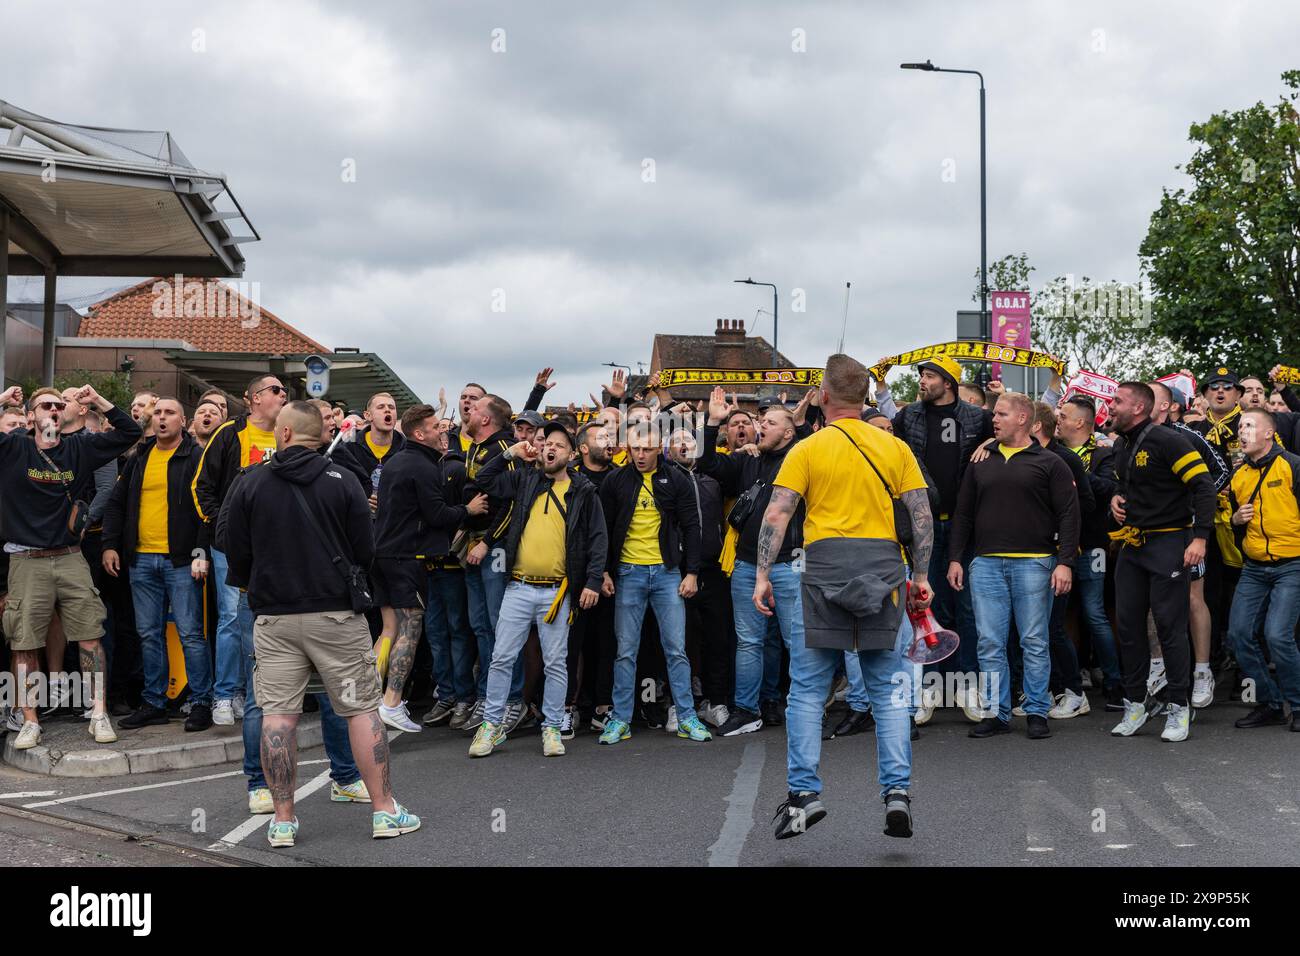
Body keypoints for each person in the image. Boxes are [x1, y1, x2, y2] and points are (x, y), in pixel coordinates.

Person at [222, 402, 419, 846]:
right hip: (335, 616)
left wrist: (261, 584)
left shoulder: (251, 483)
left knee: (278, 716)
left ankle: (283, 820)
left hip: (274, 618)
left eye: (276, 428)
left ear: (287, 433)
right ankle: (385, 811)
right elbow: (365, 548)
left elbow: (236, 551)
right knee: (360, 710)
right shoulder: (343, 480)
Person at [757, 353, 931, 840]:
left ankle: (804, 796)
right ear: (867, 397)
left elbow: (777, 515)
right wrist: (920, 574)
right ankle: (897, 792)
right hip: (883, 568)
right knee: (890, 690)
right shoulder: (892, 446)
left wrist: (762, 575)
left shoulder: (808, 449)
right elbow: (920, 517)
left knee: (808, 690)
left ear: (825, 397)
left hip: (823, 568)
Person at [0, 384, 142, 751]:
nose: (52, 409)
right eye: (44, 404)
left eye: (58, 404)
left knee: (90, 636)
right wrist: (2, 401)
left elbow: (130, 432)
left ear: (65, 413)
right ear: (31, 415)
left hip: (70, 556)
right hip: (26, 559)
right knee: (23, 643)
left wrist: (98, 401)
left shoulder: (80, 448)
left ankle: (98, 712)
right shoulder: (13, 447)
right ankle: (29, 720)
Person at [468, 422, 607, 757]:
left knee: (556, 663)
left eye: (559, 444)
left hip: (557, 593)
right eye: (546, 442)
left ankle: (552, 727)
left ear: (572, 454)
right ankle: (491, 725)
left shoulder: (583, 491)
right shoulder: (525, 479)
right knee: (501, 657)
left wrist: (592, 580)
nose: (550, 448)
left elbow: (598, 539)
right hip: (518, 587)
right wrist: (510, 453)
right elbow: (484, 480)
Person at [948, 393, 1079, 739]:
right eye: (995, 414)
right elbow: (963, 513)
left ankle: (1037, 711)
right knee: (989, 642)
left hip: (1035, 564)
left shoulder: (1051, 463)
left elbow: (1069, 515)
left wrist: (1065, 562)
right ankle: (996, 713)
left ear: (1023, 418)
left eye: (1002, 414)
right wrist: (956, 559)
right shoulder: (981, 460)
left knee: (1034, 640)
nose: (994, 419)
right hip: (986, 564)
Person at [1107, 383, 1216, 742]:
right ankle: (1135, 703)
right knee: (1127, 627)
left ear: (1139, 407)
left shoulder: (1170, 441)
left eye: (1118, 400)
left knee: (1170, 627)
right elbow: (1127, 487)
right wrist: (1117, 500)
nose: (1112, 404)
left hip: (1170, 542)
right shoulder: (1122, 444)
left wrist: (1199, 537)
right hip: (1133, 547)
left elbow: (1203, 486)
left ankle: (1178, 708)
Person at [888, 355, 992, 723]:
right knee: (927, 607)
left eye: (929, 375)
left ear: (948, 381)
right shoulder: (908, 417)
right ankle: (932, 688)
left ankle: (968, 687)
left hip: (967, 525)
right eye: (921, 375)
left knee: (966, 608)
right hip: (924, 524)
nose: (922, 381)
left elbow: (1011, 438)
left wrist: (991, 442)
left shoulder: (978, 419)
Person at [371, 404, 486, 732]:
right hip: (407, 558)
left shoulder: (395, 461)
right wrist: (469, 508)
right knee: (410, 627)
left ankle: (368, 702)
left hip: (384, 554)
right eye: (436, 426)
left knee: (389, 629)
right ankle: (391, 702)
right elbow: (437, 515)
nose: (443, 431)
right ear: (420, 433)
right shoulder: (422, 466)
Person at [697, 386, 804, 736]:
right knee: (749, 641)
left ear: (788, 432)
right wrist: (713, 423)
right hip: (746, 564)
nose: (761, 426)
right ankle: (747, 709)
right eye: (761, 420)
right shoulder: (749, 459)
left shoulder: (804, 459)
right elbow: (707, 462)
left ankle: (805, 708)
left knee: (796, 641)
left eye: (770, 422)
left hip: (791, 563)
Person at [101, 398, 213, 732]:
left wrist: (200, 553)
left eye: (170, 413)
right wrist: (109, 545)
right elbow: (116, 504)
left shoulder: (195, 457)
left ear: (183, 420)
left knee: (191, 634)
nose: (162, 418)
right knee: (148, 634)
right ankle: (154, 702)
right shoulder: (140, 457)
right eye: (158, 413)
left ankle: (201, 703)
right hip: (141, 560)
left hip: (181, 561)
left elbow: (205, 509)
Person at [597, 421, 711, 744]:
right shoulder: (615, 480)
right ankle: (620, 719)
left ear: (658, 447)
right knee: (625, 651)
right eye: (635, 448)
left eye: (647, 448)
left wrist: (692, 572)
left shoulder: (676, 479)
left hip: (667, 573)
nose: (641, 455)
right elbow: (603, 529)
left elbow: (692, 527)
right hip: (628, 573)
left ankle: (687, 717)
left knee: (676, 649)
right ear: (628, 448)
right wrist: (604, 571)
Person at [192, 373, 287, 726]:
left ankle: (253, 693)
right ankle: (224, 694)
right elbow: (201, 487)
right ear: (254, 398)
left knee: (262, 621)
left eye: (283, 391)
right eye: (275, 390)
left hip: (275, 547)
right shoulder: (230, 433)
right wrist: (224, 528)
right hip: (233, 545)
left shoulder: (287, 434)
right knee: (231, 618)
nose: (282, 395)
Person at [1150, 380, 1229, 708]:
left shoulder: (1188, 436)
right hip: (1148, 535)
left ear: (1166, 406)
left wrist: (1195, 505)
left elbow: (1222, 472)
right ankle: (1157, 667)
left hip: (1186, 531)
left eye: (1149, 399)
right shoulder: (1131, 438)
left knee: (1193, 597)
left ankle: (1201, 670)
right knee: (1151, 601)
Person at [1226, 408, 1300, 732]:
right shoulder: (1239, 476)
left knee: (1278, 636)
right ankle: (1270, 703)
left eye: (1249, 426)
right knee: (1238, 635)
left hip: (1292, 565)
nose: (1242, 431)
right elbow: (1236, 527)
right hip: (1254, 567)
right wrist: (1234, 520)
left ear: (1269, 433)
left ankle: (1298, 705)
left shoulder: (1293, 466)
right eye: (1240, 427)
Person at [461, 392, 528, 730]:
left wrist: (487, 543)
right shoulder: (473, 446)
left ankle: (513, 700)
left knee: (503, 627)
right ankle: (489, 695)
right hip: (472, 550)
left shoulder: (506, 449)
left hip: (495, 551)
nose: (467, 409)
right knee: (480, 627)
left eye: (474, 406)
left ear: (486, 418)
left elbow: (514, 503)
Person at [1054, 396, 1124, 710]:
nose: (1058, 418)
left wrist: (1075, 471)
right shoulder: (1050, 451)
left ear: (1080, 422)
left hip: (1093, 542)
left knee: (1095, 613)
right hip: (1059, 546)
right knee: (1064, 614)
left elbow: (1109, 489)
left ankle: (1114, 681)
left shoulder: (1103, 453)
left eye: (1064, 415)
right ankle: (1075, 671)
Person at [665, 425, 731, 731]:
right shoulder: (664, 479)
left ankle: (716, 701)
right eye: (676, 441)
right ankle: (680, 704)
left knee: (717, 638)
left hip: (714, 569)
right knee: (680, 641)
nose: (683, 445)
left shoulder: (712, 478)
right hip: (676, 570)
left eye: (688, 440)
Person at [566, 420, 619, 731]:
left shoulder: (619, 478)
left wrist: (605, 571)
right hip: (575, 574)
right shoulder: (570, 479)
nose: (608, 440)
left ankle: (603, 706)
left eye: (610, 435)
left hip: (612, 575)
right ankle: (568, 706)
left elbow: (615, 530)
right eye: (601, 437)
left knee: (606, 643)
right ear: (583, 448)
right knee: (572, 644)